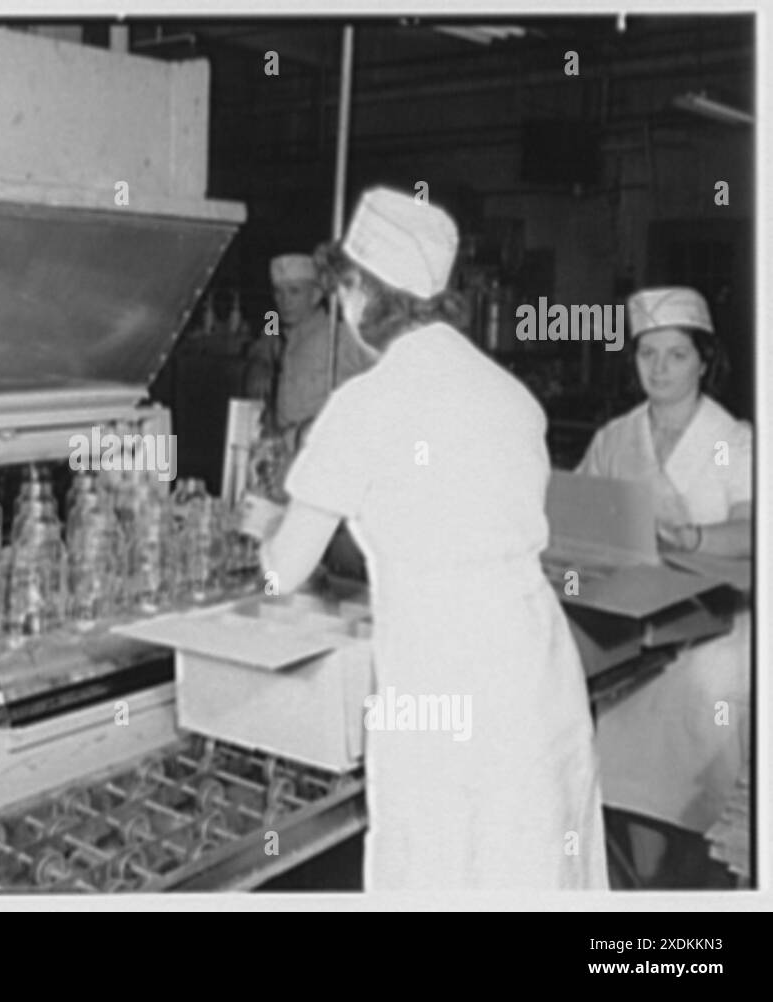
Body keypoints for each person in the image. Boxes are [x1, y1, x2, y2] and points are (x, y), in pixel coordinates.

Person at [245, 186, 607, 890]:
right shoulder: (512, 397)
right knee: (535, 864)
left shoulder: (362, 405)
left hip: (440, 675)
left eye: (343, 285)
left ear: (358, 292)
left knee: (439, 869)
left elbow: (280, 575)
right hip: (534, 669)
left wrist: (264, 532)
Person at [576, 286, 751, 887]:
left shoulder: (733, 441)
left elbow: (757, 530)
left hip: (713, 637)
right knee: (610, 770)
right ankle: (634, 883)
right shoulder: (616, 437)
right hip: (631, 632)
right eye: (647, 354)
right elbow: (580, 515)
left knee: (683, 777)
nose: (659, 369)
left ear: (704, 360)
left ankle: (671, 883)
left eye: (676, 355)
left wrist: (694, 538)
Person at [246, 253, 372, 451]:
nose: (284, 301)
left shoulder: (339, 335)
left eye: (294, 292)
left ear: (315, 295)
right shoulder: (277, 327)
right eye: (279, 292)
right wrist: (260, 362)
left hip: (324, 450)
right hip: (283, 450)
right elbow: (264, 343)